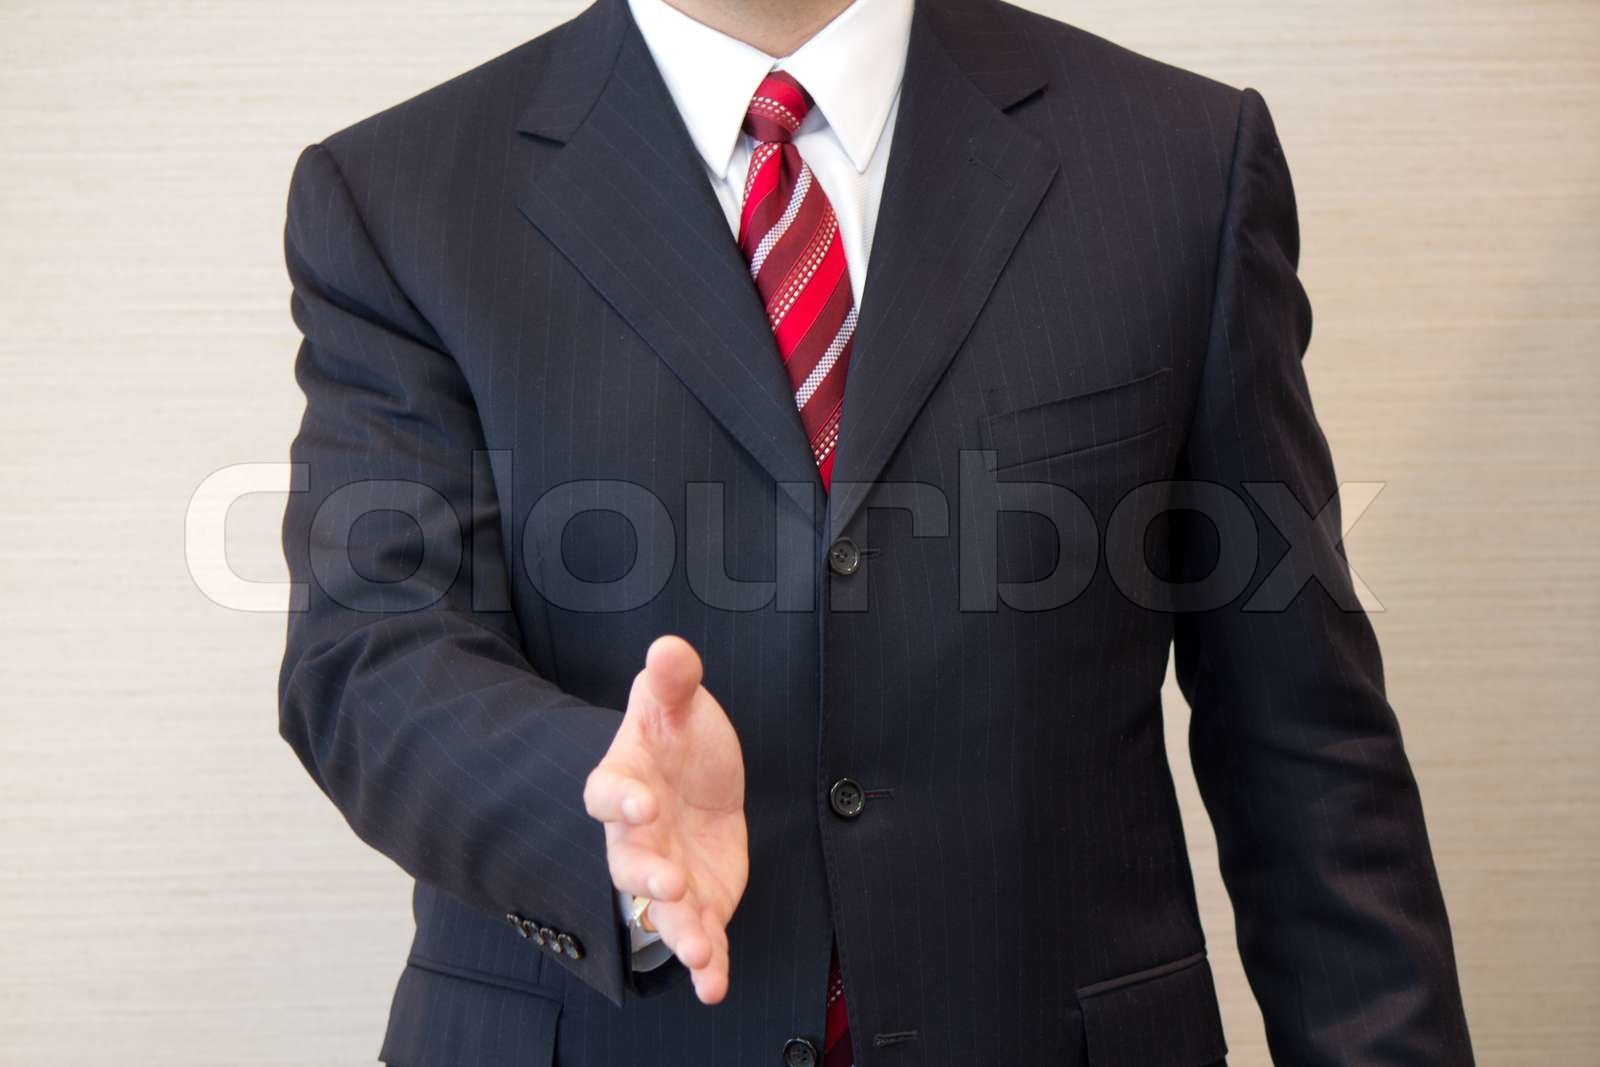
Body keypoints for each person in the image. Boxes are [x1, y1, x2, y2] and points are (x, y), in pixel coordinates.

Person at [278, 0, 1475, 1062]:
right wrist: (603, 807)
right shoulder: (398, 197)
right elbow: (369, 658)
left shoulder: (1181, 162)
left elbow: (1303, 737)